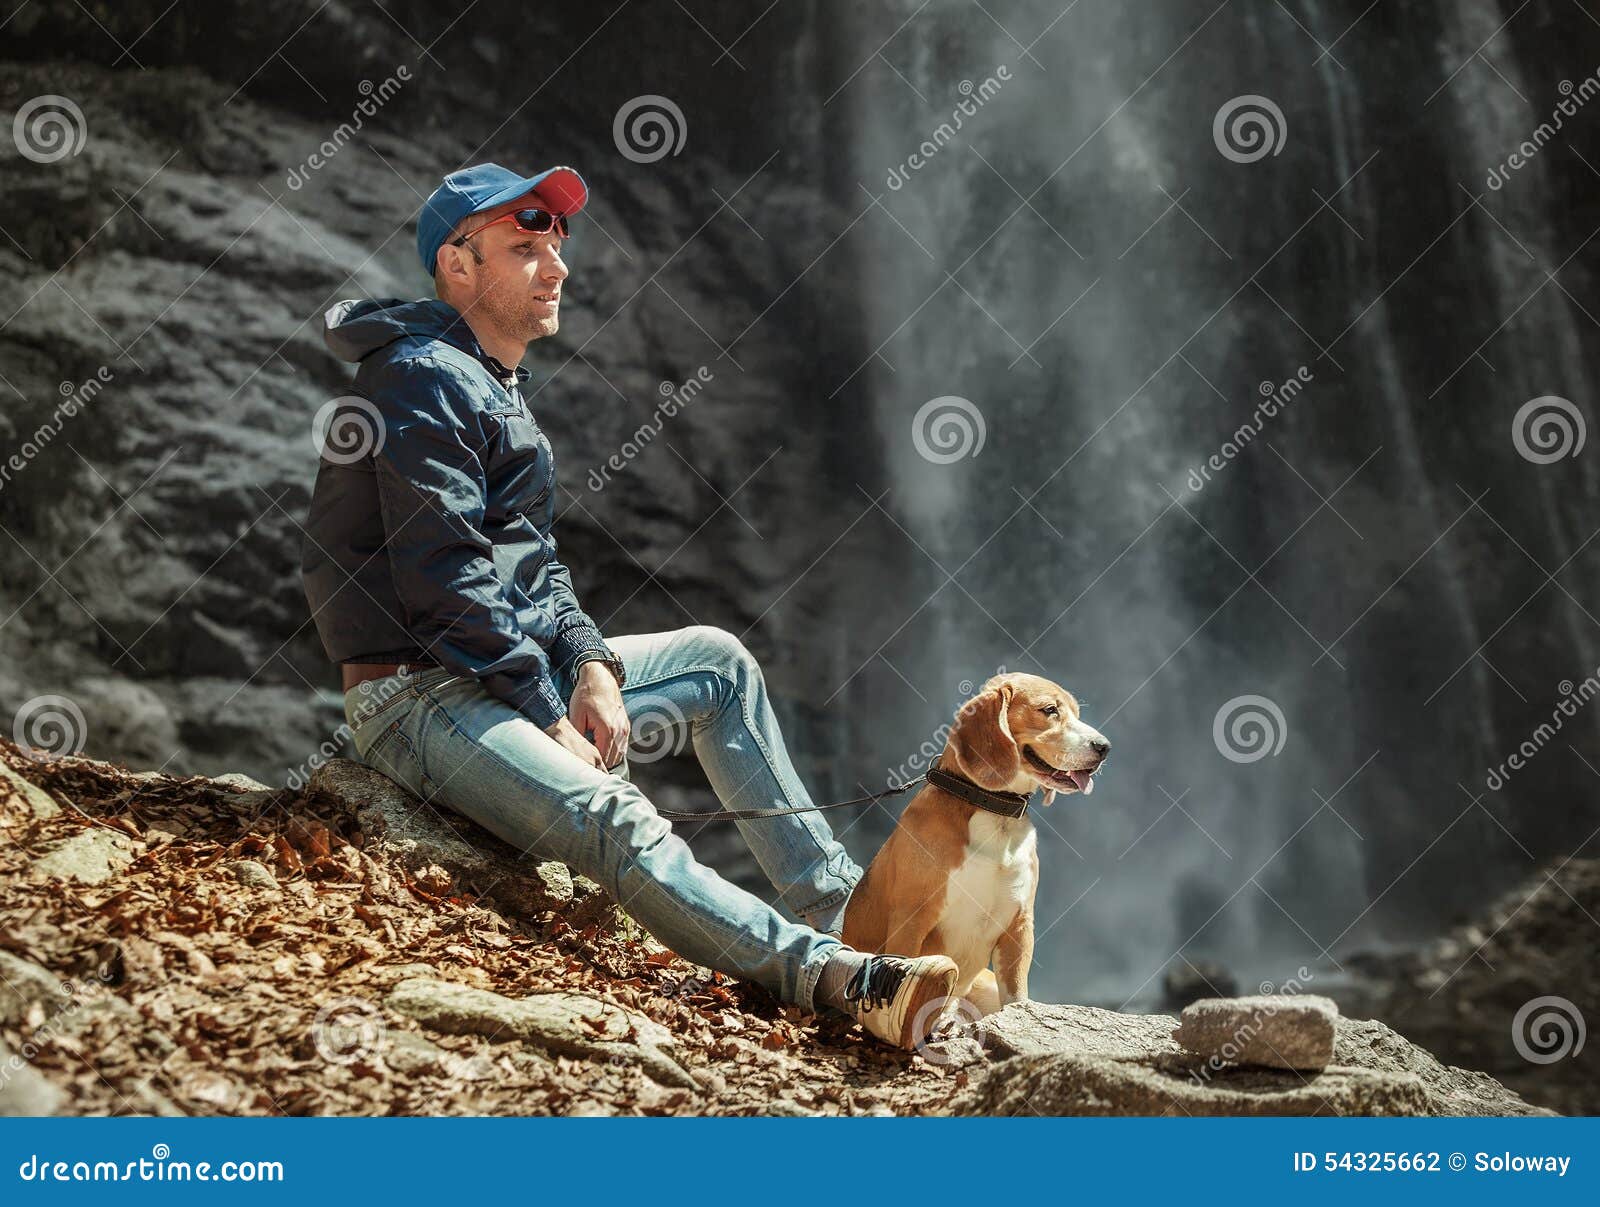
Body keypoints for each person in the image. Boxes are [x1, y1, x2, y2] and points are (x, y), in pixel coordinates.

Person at [299, 162, 959, 1049]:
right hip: (419, 696)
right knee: (618, 817)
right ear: (457, 265)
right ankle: (844, 979)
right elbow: (444, 578)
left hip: (490, 676)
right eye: (525, 247)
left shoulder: (488, 383)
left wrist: (593, 663)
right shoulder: (420, 378)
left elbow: (538, 569)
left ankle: (851, 911)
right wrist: (545, 711)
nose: (556, 267)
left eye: (557, 247)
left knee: (716, 664)